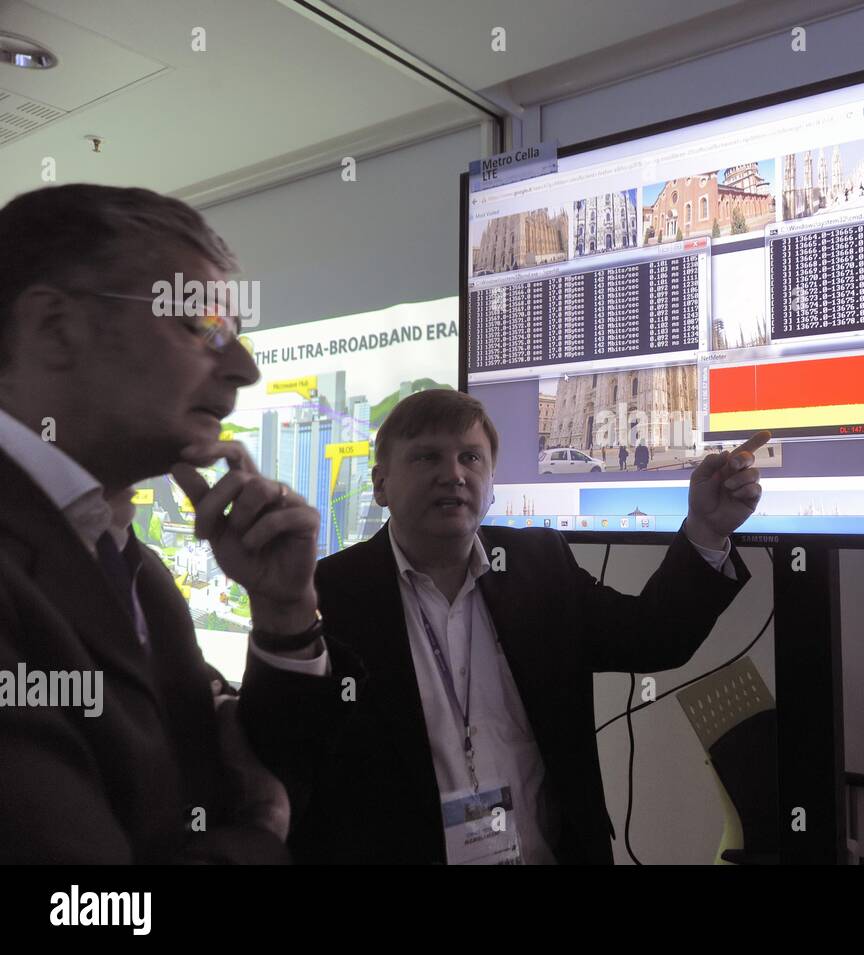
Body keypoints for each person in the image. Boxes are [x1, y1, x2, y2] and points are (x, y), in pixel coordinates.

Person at [239, 388, 769, 863]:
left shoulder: (539, 564)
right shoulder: (329, 591)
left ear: (491, 484)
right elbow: (285, 749)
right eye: (427, 457)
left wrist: (705, 527)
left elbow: (654, 636)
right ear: (380, 485)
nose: (453, 474)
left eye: (471, 457)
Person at [0, 184, 320, 863]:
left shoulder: (132, 566)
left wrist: (285, 611)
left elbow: (234, 761)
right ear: (56, 328)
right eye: (201, 325)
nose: (245, 369)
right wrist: (262, 830)